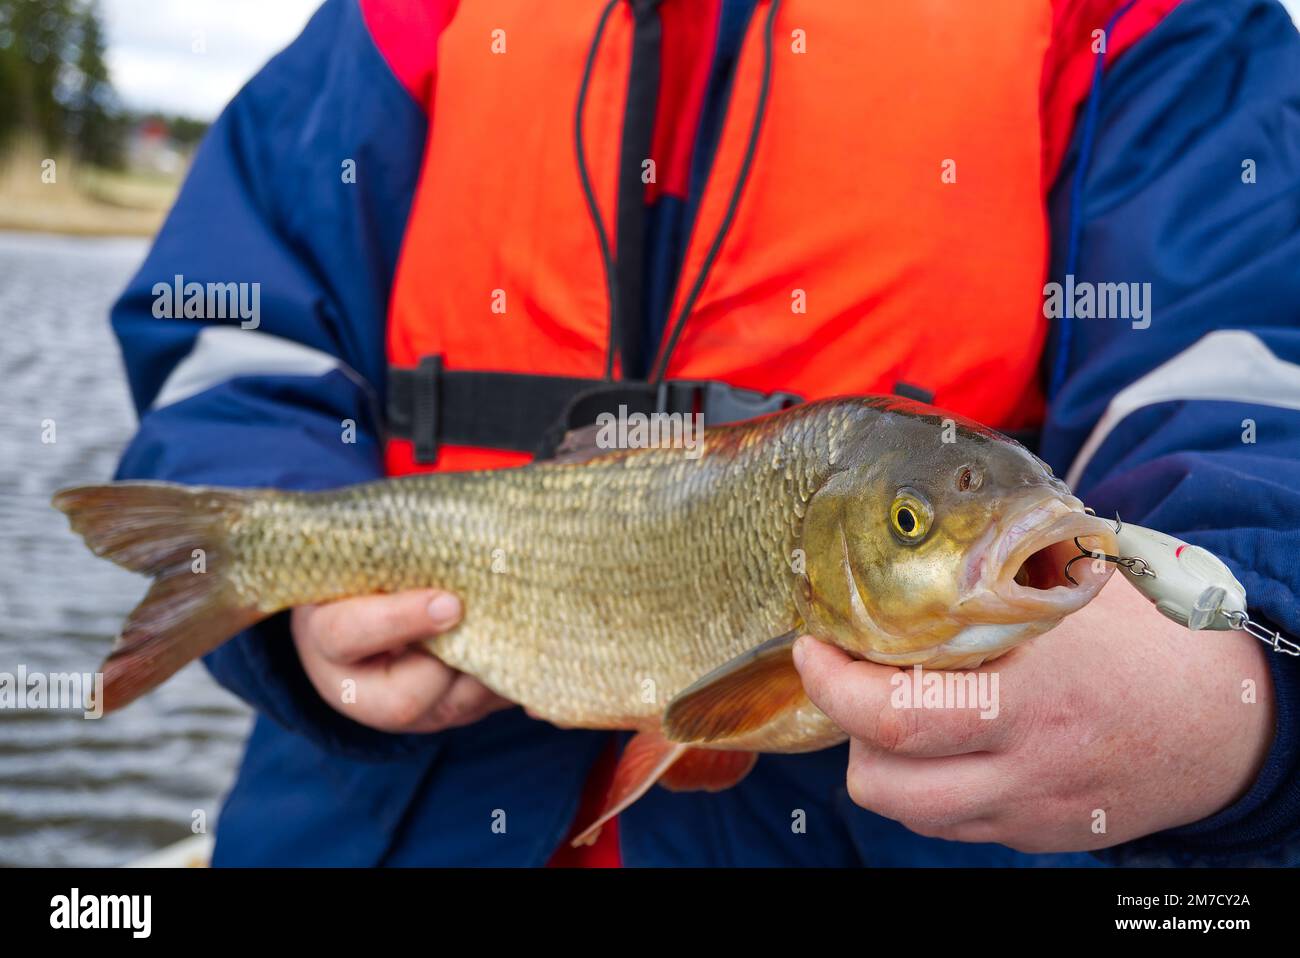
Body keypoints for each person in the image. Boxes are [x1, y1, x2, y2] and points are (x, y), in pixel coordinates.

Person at [109, 0, 1300, 866]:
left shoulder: (1145, 25)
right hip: (377, 822)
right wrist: (295, 599)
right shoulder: (396, 23)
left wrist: (1241, 685)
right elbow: (227, 339)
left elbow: (1247, 383)